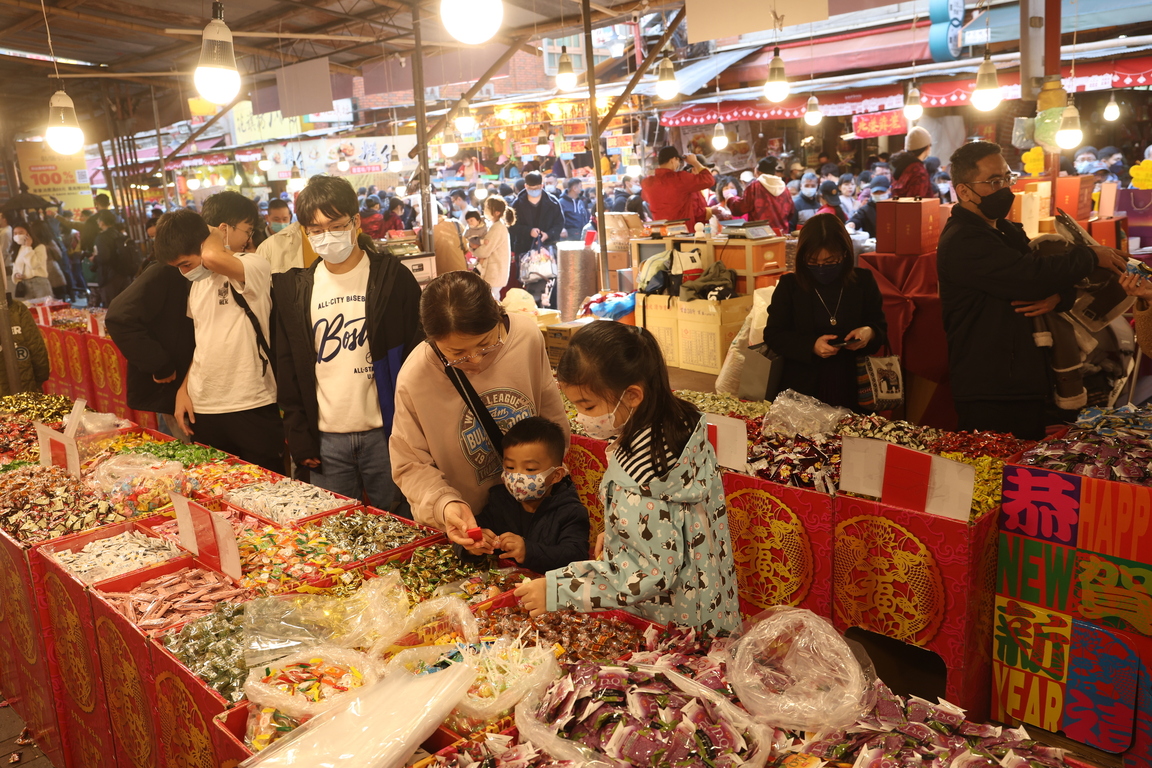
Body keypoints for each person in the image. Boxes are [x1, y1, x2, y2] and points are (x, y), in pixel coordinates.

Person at [513, 321, 739, 633]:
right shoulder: (680, 427)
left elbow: (648, 573)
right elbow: (671, 528)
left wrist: (557, 590)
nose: (580, 417)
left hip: (673, 622)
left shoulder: (641, 478)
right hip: (707, 596)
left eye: (587, 405)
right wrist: (621, 532)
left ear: (632, 395)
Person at [937, 141, 1126, 439]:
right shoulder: (964, 240)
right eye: (994, 181)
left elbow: (1044, 281)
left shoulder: (1004, 230)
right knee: (994, 464)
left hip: (1023, 377)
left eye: (1007, 178)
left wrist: (1058, 296)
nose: (1004, 188)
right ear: (964, 191)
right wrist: (1090, 256)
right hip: (990, 385)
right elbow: (1030, 277)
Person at [273, 175, 424, 511]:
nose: (327, 236)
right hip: (327, 441)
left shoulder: (392, 278)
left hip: (387, 436)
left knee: (400, 524)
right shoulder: (296, 290)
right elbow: (288, 368)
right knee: (334, 530)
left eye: (336, 225)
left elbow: (419, 353)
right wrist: (299, 436)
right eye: (316, 229)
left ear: (355, 222)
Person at [390, 270, 569, 543]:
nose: (475, 360)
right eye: (457, 354)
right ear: (432, 339)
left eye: (485, 344)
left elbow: (552, 419)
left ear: (498, 315)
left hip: (535, 509)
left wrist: (546, 478)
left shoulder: (525, 337)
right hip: (469, 526)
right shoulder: (416, 376)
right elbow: (410, 463)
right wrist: (445, 504)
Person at [155, 196, 285, 472]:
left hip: (251, 402)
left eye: (186, 264)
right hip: (204, 406)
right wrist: (184, 389)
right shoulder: (198, 282)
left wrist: (214, 234)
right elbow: (203, 341)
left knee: (266, 487)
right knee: (217, 488)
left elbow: (213, 257)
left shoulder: (253, 264)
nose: (184, 272)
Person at [764, 214, 887, 409]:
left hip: (853, 382)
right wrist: (811, 346)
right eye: (813, 262)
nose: (821, 268)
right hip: (801, 386)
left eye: (830, 261)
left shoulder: (863, 281)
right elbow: (773, 335)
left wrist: (869, 332)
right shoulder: (790, 285)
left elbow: (879, 326)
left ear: (844, 253)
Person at [460, 416, 590, 573]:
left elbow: (576, 555)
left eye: (530, 469)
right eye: (510, 467)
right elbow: (467, 534)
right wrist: (472, 546)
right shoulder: (500, 501)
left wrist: (528, 551)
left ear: (556, 475)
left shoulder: (571, 512)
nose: (517, 477)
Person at [106, 257, 195, 438]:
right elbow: (119, 318)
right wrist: (161, 365)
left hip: (193, 385)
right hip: (175, 386)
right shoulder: (165, 271)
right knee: (181, 446)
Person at [509, 171, 563, 299]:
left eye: (537, 188)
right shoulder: (517, 204)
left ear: (542, 186)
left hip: (547, 250)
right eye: (531, 188)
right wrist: (528, 231)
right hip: (524, 250)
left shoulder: (553, 202)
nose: (534, 191)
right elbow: (512, 226)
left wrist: (547, 235)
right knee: (528, 285)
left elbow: (559, 224)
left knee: (549, 283)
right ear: (525, 186)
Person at [641, 147, 715, 231]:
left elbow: (645, 198)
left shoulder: (647, 183)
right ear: (673, 160)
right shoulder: (680, 179)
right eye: (678, 161)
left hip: (660, 232)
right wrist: (695, 162)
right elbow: (709, 180)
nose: (678, 164)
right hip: (682, 232)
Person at [723, 158, 796, 234]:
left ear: (758, 171)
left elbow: (741, 207)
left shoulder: (754, 186)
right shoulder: (785, 189)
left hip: (760, 234)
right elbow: (791, 212)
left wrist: (730, 198)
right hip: (781, 234)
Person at [0, 296, 49, 396]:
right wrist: (40, 379)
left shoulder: (18, 308)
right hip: (24, 389)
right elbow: (36, 350)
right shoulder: (17, 308)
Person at [471, 196, 514, 299]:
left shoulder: (497, 228)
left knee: (490, 300)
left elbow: (484, 251)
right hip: (495, 273)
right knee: (493, 299)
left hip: (494, 273)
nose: (485, 209)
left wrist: (473, 248)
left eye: (488, 207)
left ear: (497, 212)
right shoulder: (495, 226)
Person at [93, 211, 136, 307]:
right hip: (124, 274)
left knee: (112, 306)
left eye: (98, 220)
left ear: (102, 222)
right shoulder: (120, 234)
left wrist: (94, 258)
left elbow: (104, 257)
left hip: (110, 276)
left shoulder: (102, 237)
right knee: (126, 304)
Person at [889, 126, 933, 199]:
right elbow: (915, 203)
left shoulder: (900, 166)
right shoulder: (919, 172)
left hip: (897, 206)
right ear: (927, 147)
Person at [11, 221, 52, 300]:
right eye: (15, 233)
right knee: (30, 307)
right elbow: (16, 267)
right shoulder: (18, 249)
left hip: (39, 283)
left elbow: (33, 265)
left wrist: (28, 247)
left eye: (21, 233)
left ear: (28, 233)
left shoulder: (40, 247)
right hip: (25, 285)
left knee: (44, 306)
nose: (17, 235)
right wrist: (16, 275)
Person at [432, 204, 469, 275]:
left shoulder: (424, 231)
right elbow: (466, 247)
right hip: (460, 271)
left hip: (438, 275)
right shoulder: (456, 223)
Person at [79, 192, 113, 257]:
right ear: (109, 204)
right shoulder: (117, 217)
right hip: (116, 252)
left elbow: (86, 238)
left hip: (98, 253)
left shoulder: (92, 219)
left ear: (97, 204)